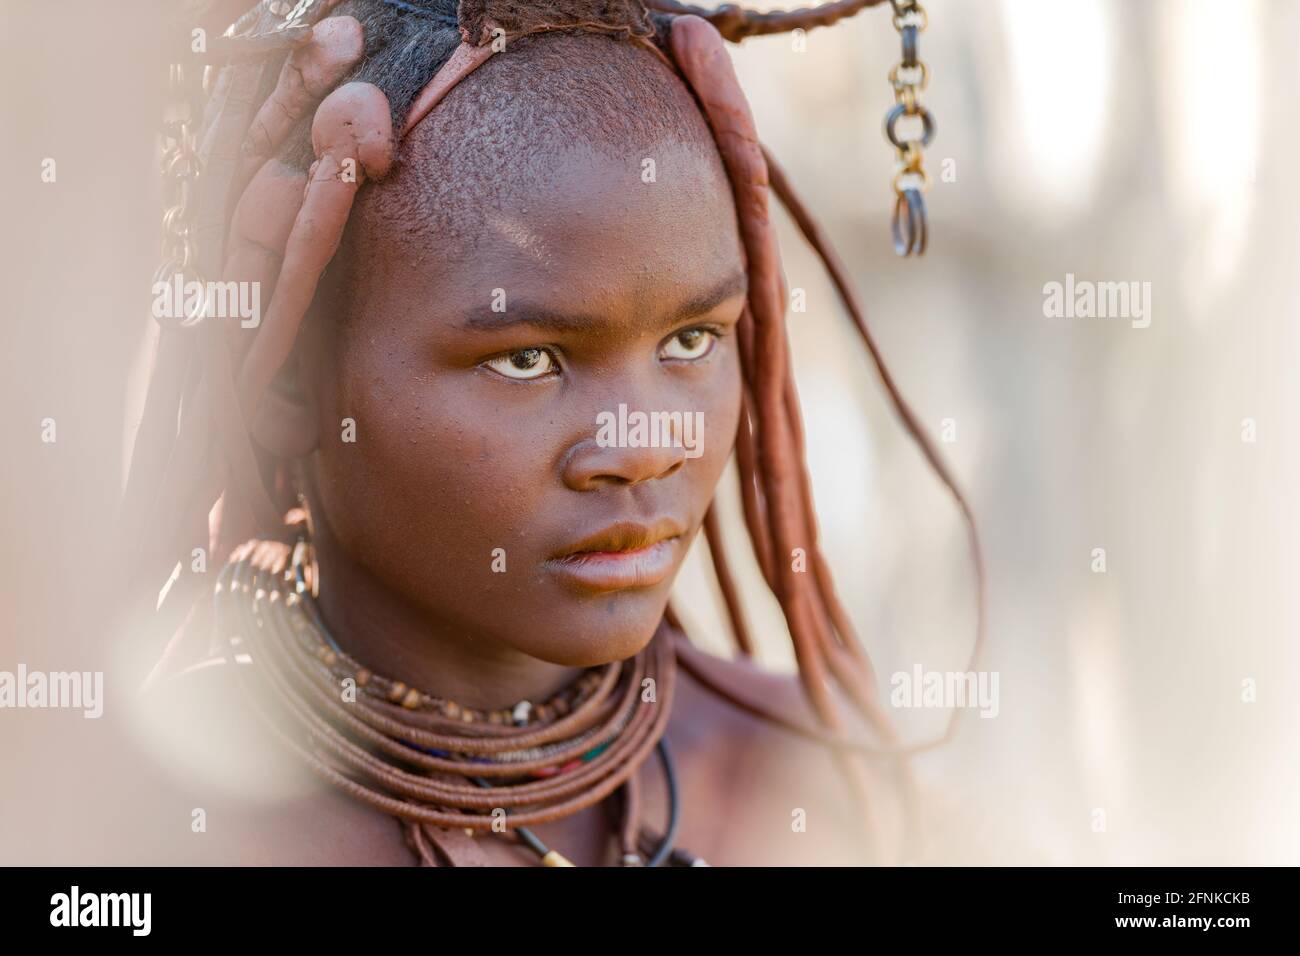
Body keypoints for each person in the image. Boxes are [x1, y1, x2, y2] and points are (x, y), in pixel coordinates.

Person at [121, 0, 984, 867]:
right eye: (529, 359)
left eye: (691, 340)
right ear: (291, 375)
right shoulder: (140, 826)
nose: (645, 446)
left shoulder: (813, 780)